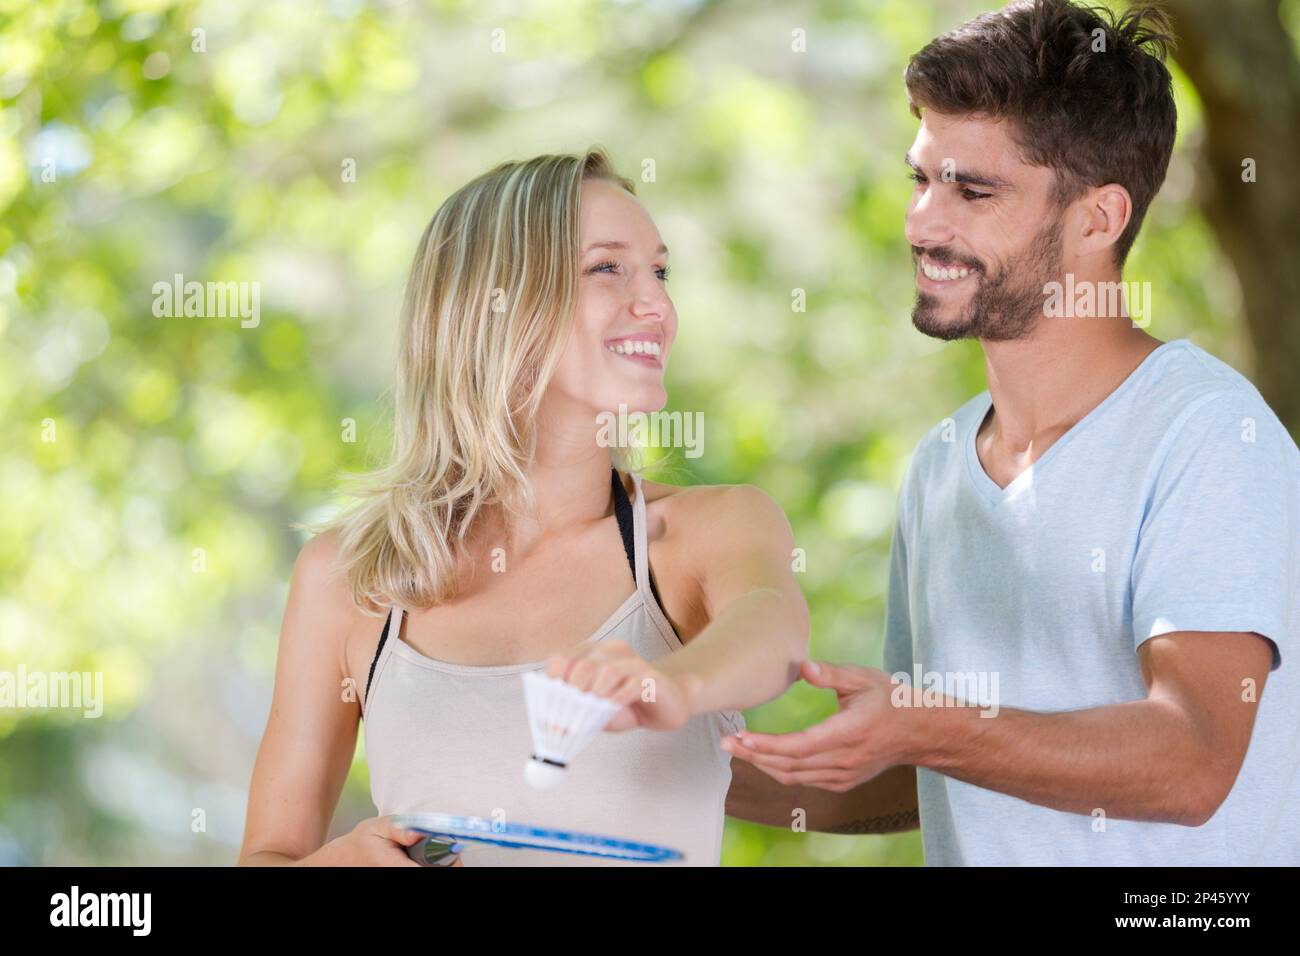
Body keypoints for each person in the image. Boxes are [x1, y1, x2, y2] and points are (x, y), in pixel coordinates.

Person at [724, 0, 1300, 865]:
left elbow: (1192, 762)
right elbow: (938, 766)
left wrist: (931, 727)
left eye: (973, 190)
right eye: (921, 179)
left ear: (1098, 219)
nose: (924, 222)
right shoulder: (940, 466)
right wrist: (677, 767)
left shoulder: (1210, 438)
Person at [237, 148, 809, 866]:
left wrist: (673, 685)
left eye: (660, 272)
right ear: (495, 302)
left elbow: (775, 632)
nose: (657, 304)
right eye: (609, 268)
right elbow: (268, 855)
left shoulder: (703, 531)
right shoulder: (348, 578)